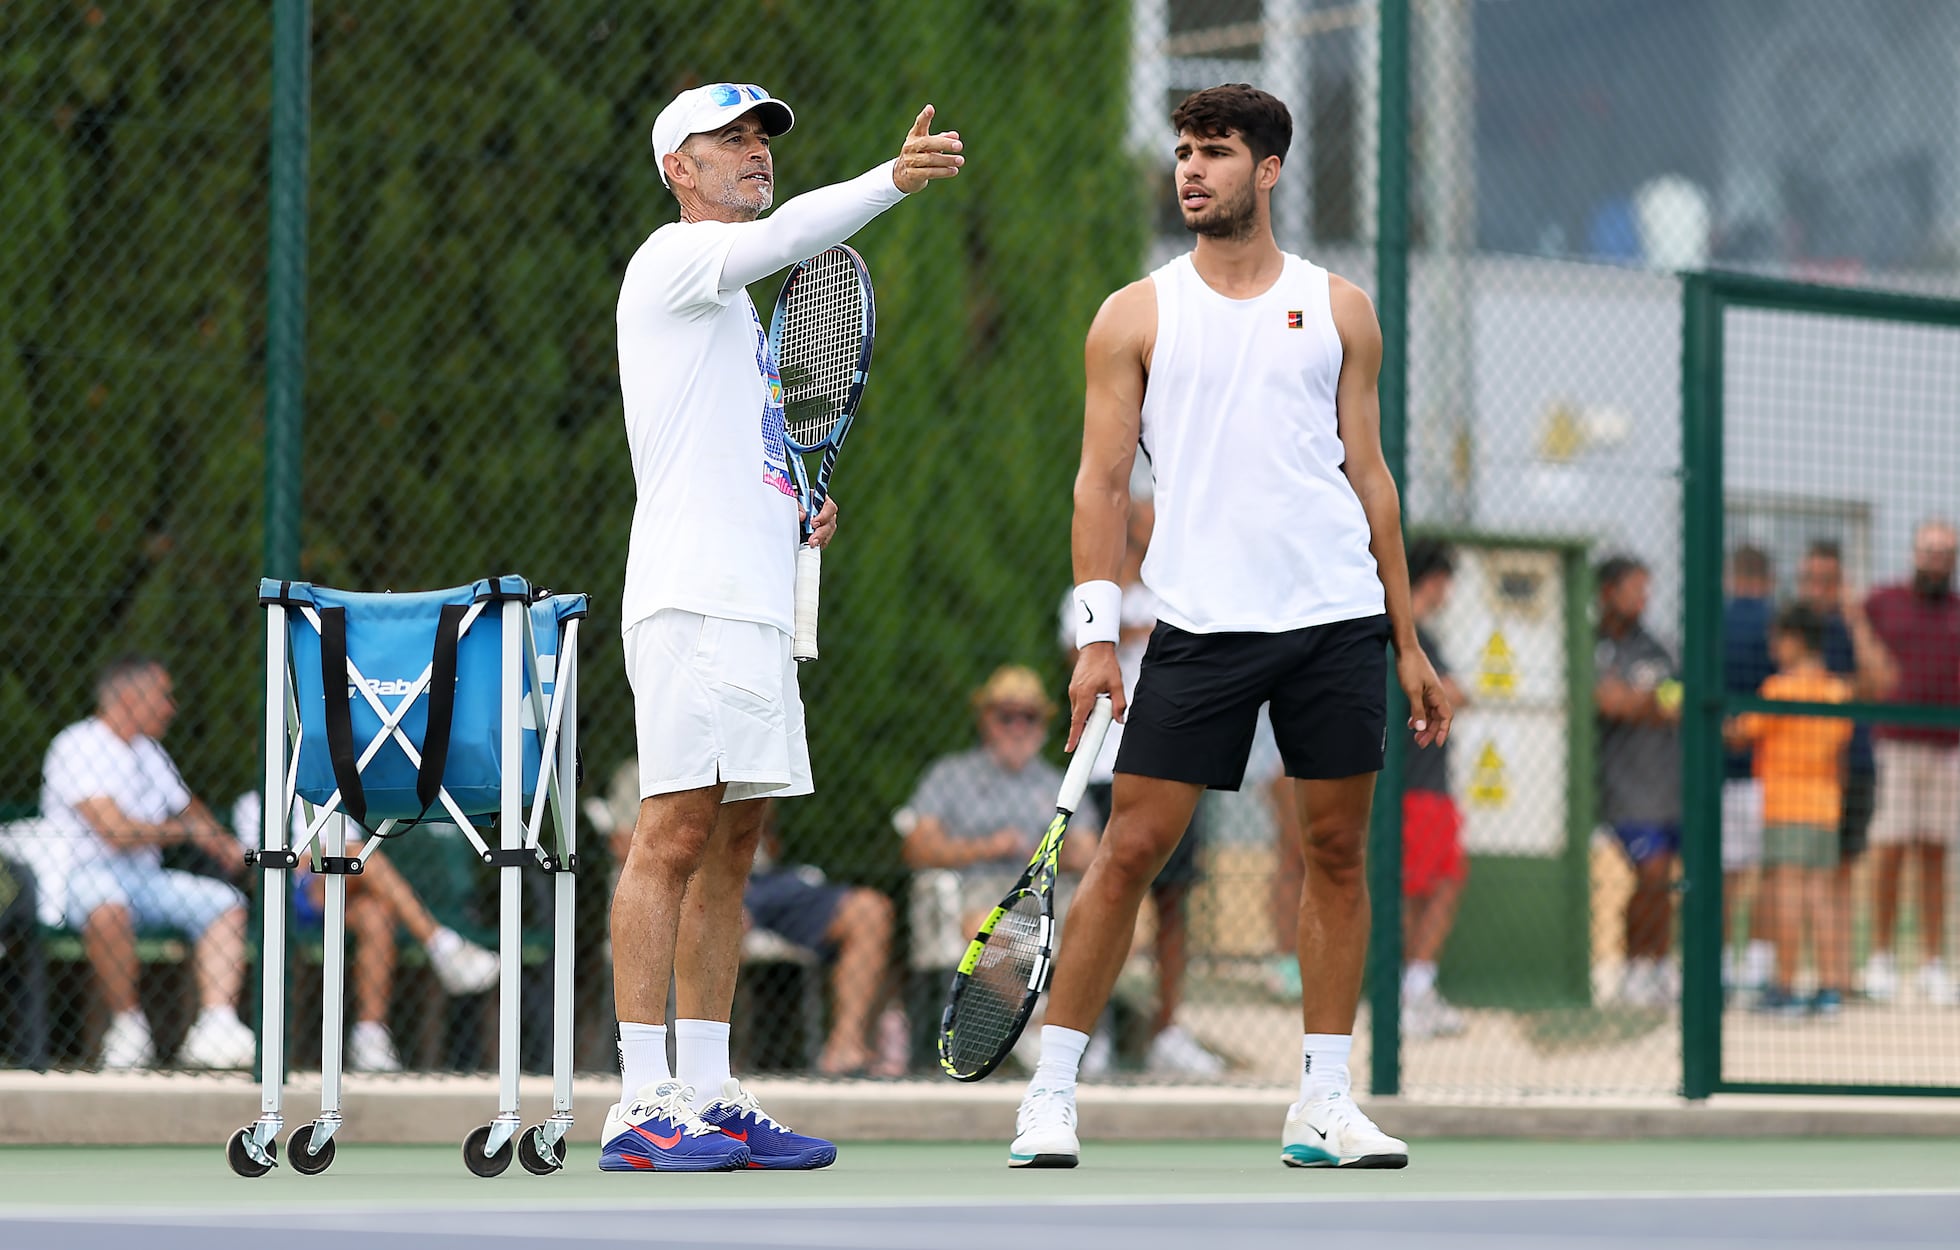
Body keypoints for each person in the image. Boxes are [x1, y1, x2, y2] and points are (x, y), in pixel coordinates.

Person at [1010, 83, 1449, 1172]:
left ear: (1269, 169)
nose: (1192, 170)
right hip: (1199, 626)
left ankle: (1322, 1102)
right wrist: (1096, 636)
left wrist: (1407, 639)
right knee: (1130, 852)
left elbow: (1372, 478)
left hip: (1335, 619)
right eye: (1184, 152)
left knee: (1334, 851)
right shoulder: (1134, 314)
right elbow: (1099, 486)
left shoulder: (1340, 308)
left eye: (1215, 151)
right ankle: (1049, 1096)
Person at [604, 81, 963, 1172]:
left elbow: (742, 448)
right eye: (730, 138)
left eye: (761, 136)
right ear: (680, 168)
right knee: (671, 836)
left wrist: (793, 501)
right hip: (690, 600)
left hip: (755, 603)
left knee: (734, 846)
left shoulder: (741, 317)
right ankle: (639, 1101)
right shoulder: (672, 260)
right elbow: (798, 231)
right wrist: (889, 181)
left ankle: (711, 1095)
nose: (755, 151)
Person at [1054, 468, 1225, 1077]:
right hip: (1104, 770)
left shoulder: (1180, 591)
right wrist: (1124, 604)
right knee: (1106, 896)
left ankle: (1167, 1032)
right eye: (1143, 512)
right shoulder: (1091, 594)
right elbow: (1078, 648)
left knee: (1173, 903)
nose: (1154, 522)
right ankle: (1088, 1033)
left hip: (1175, 764)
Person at [41, 656, 257, 1069]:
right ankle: (127, 1027)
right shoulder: (76, 744)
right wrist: (187, 832)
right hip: (80, 876)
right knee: (108, 906)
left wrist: (226, 846)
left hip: (146, 879)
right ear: (129, 697)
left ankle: (216, 1027)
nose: (171, 708)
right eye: (163, 696)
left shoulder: (150, 751)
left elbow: (188, 807)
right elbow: (115, 832)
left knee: (226, 904)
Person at [229, 793, 501, 1073]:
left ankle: (370, 1036)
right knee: (361, 856)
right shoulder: (254, 802)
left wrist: (329, 855)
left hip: (343, 890)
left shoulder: (331, 795)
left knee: (377, 915)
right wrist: (323, 857)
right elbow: (261, 867)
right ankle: (441, 944)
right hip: (291, 895)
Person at [897, 666, 1102, 935]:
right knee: (990, 926)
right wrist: (988, 847)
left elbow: (1089, 855)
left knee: (1123, 913)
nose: (1018, 727)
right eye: (1006, 716)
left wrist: (1040, 855)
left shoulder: (1061, 783)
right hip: (973, 889)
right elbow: (917, 849)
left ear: (1043, 724)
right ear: (985, 720)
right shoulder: (949, 775)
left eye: (1029, 717)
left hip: (1047, 891)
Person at [1728, 604, 1854, 1014]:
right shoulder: (1836, 690)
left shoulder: (1779, 689)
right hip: (1825, 805)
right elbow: (1840, 749)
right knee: (1820, 894)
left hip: (1786, 804)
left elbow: (1741, 733)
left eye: (1777, 639)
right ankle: (1829, 986)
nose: (1772, 647)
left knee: (1786, 893)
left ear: (1795, 640)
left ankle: (1785, 986)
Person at [1861, 520, 1960, 1007]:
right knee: (1890, 849)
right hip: (1896, 745)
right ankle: (1880, 958)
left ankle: (1932, 963)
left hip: (1948, 749)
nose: (1937, 560)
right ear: (1914, 553)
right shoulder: (1882, 602)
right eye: (1930, 551)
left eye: (1946, 553)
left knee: (1935, 853)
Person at [1794, 540, 1894, 1002]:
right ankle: (1805, 974)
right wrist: (1843, 689)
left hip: (1854, 763)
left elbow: (1880, 682)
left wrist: (1856, 618)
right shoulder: (1793, 631)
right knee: (1800, 872)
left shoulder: (1851, 627)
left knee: (1843, 869)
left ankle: (1840, 974)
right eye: (1809, 580)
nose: (1816, 590)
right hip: (1803, 772)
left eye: (1826, 581)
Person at [1593, 554, 1682, 1008]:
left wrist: (1641, 702)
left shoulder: (1659, 646)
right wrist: (1648, 703)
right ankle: (1634, 966)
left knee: (1664, 882)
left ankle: (1658, 966)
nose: (1644, 600)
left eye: (1647, 591)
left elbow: (1676, 699)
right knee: (1651, 872)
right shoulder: (1592, 644)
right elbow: (1608, 703)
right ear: (1608, 592)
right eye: (1635, 590)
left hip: (1669, 786)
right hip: (1624, 790)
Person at [1400, 539, 1468, 1040]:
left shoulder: (1420, 637)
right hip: (1416, 783)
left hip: (1427, 782)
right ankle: (1410, 993)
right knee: (1423, 886)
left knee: (1440, 880)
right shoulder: (1410, 637)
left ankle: (1416, 987)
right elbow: (1448, 693)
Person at [1721, 545, 1777, 999]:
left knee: (1725, 873)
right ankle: (1759, 968)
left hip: (1719, 768)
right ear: (1768, 578)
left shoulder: (1714, 622)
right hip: (1768, 770)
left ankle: (1719, 966)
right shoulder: (1775, 624)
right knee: (1767, 872)